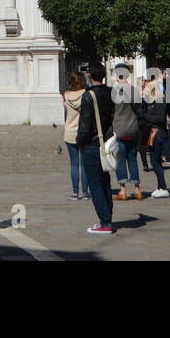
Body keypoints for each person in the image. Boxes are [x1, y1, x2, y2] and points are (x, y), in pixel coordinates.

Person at [74, 63, 116, 234]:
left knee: (95, 184)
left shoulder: (88, 96)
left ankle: (105, 222)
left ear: (90, 76)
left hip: (92, 144)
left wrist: (79, 142)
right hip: (106, 142)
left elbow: (85, 124)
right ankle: (108, 217)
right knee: (105, 181)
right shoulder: (110, 92)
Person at [111, 64, 144, 202]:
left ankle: (123, 190)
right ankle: (137, 189)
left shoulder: (114, 91)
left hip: (119, 129)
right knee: (132, 158)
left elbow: (110, 111)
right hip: (133, 128)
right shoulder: (134, 90)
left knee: (120, 160)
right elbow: (139, 108)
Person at [140, 74, 170, 199]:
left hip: (158, 134)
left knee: (155, 161)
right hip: (154, 133)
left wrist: (145, 116)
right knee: (156, 161)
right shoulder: (152, 101)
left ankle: (163, 187)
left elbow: (158, 118)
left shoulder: (160, 101)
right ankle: (160, 186)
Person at [62, 72, 89, 199]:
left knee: (74, 163)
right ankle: (85, 192)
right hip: (84, 132)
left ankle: (74, 192)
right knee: (84, 164)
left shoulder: (66, 96)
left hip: (69, 132)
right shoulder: (86, 94)